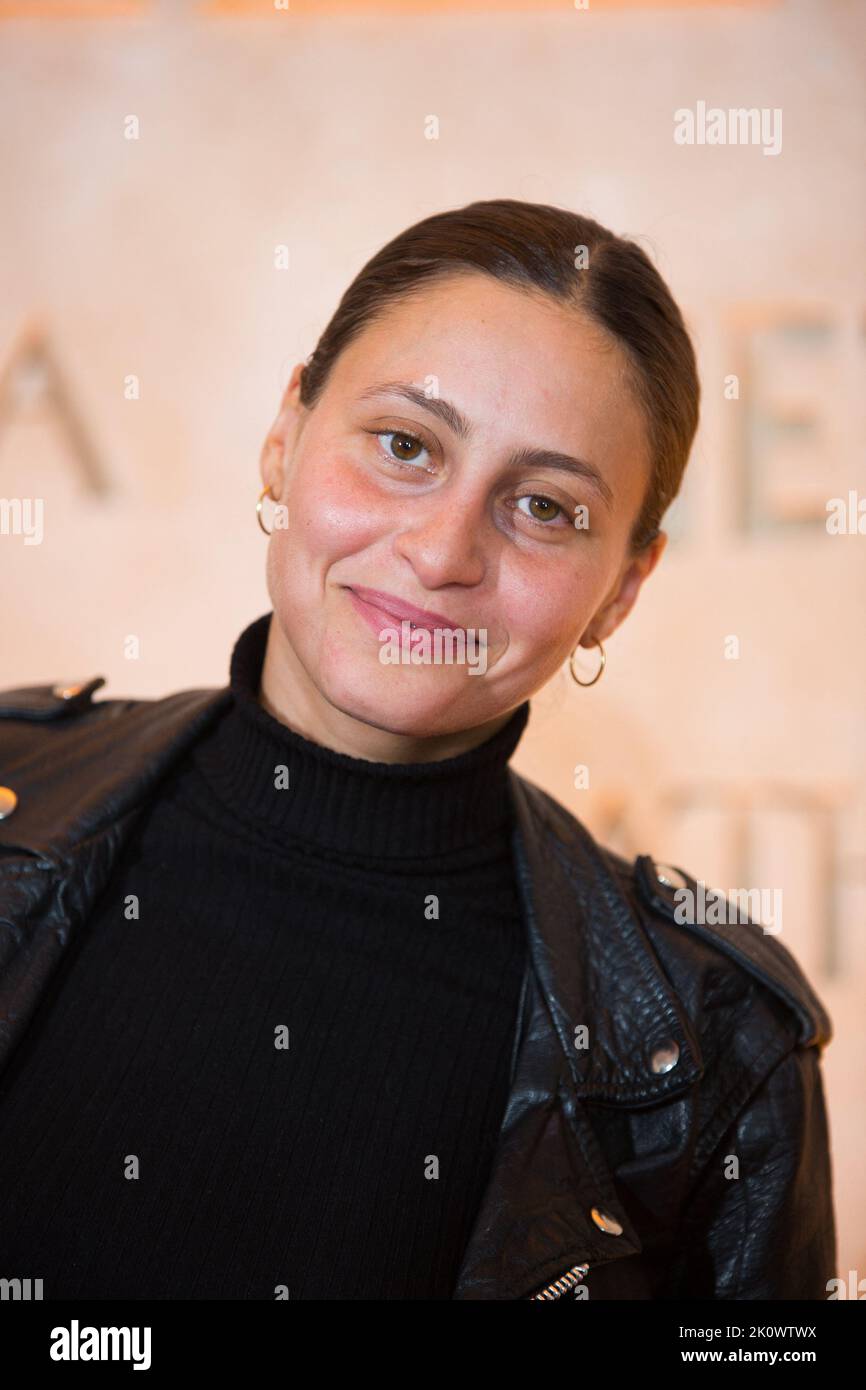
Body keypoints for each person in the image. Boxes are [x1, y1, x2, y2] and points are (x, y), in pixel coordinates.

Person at [0, 200, 836, 1300]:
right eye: (404, 446)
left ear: (621, 589)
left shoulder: (716, 1052)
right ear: (285, 435)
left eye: (542, 506)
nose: (442, 550)